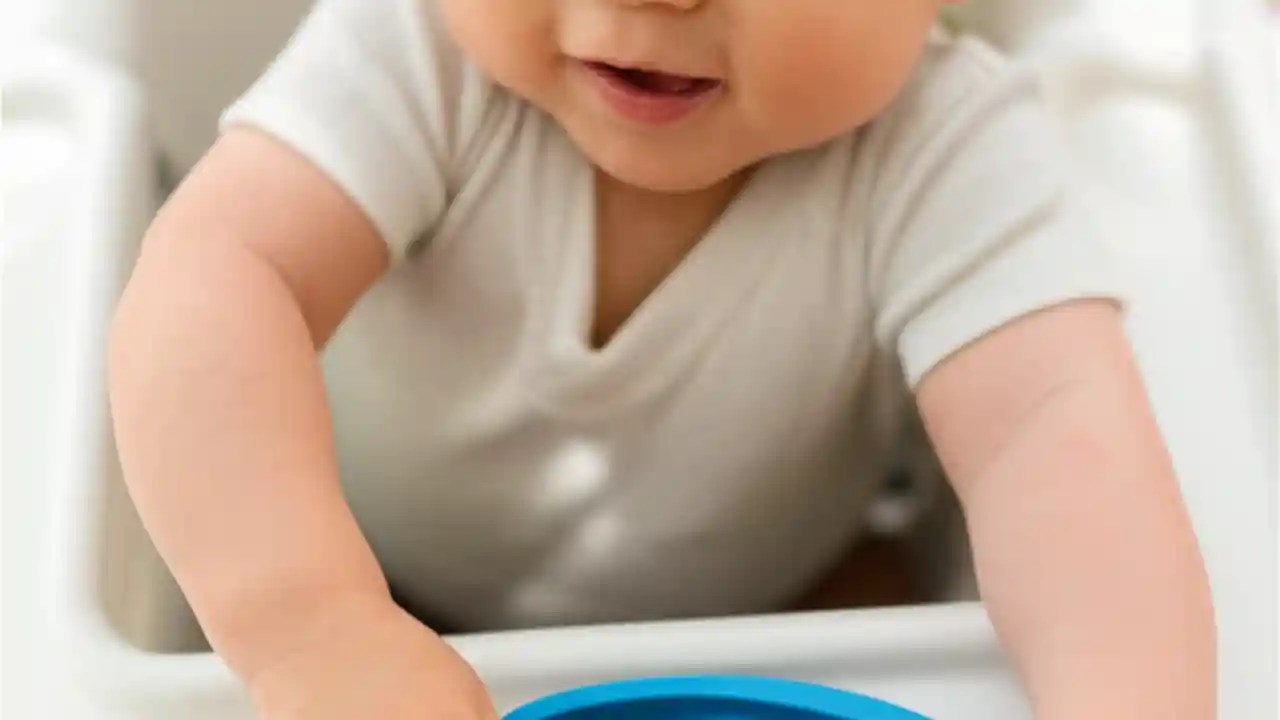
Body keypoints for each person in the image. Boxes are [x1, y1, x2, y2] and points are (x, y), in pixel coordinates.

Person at [107, 0, 1216, 717]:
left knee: (876, 608)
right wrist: (310, 625)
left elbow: (1054, 444)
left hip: (770, 604)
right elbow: (218, 275)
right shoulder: (414, 51)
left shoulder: (944, 141)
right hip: (382, 585)